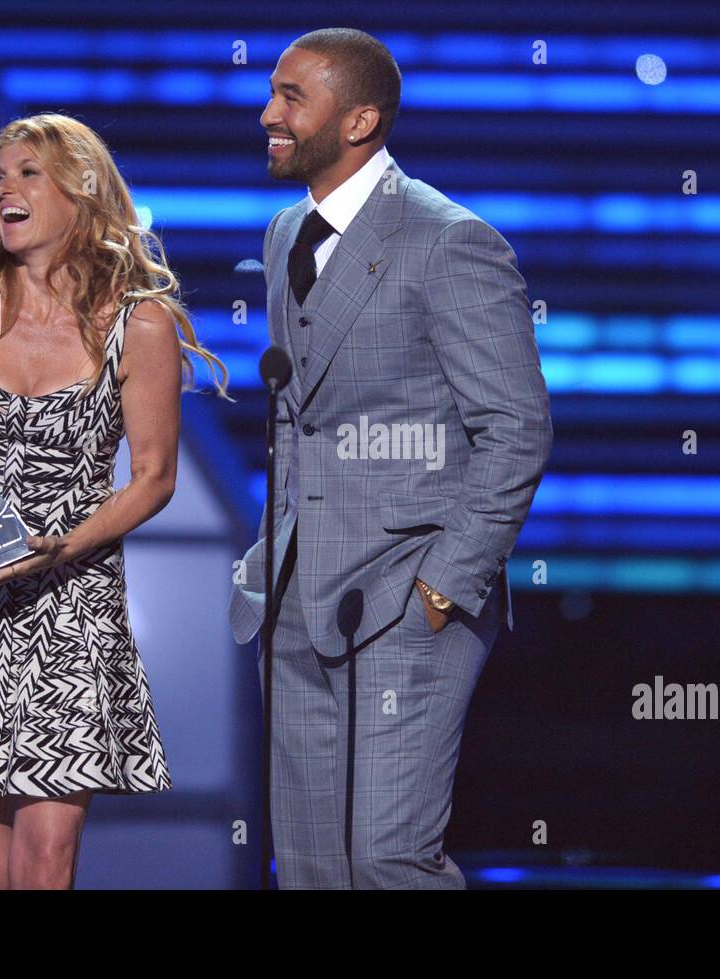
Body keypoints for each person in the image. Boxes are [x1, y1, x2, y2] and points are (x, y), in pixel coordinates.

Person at [0, 113, 227, 889]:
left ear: (81, 191)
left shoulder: (140, 321)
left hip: (71, 597)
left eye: (29, 174)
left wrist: (60, 546)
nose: (6, 190)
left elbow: (154, 476)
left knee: (46, 862)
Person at [230, 29, 553, 889]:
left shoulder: (449, 241)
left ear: (362, 118)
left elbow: (517, 426)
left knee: (385, 859)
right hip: (298, 592)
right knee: (307, 864)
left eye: (293, 97)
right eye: (272, 92)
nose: (269, 113)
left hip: (410, 596)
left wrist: (446, 584)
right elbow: (304, 416)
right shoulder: (283, 233)